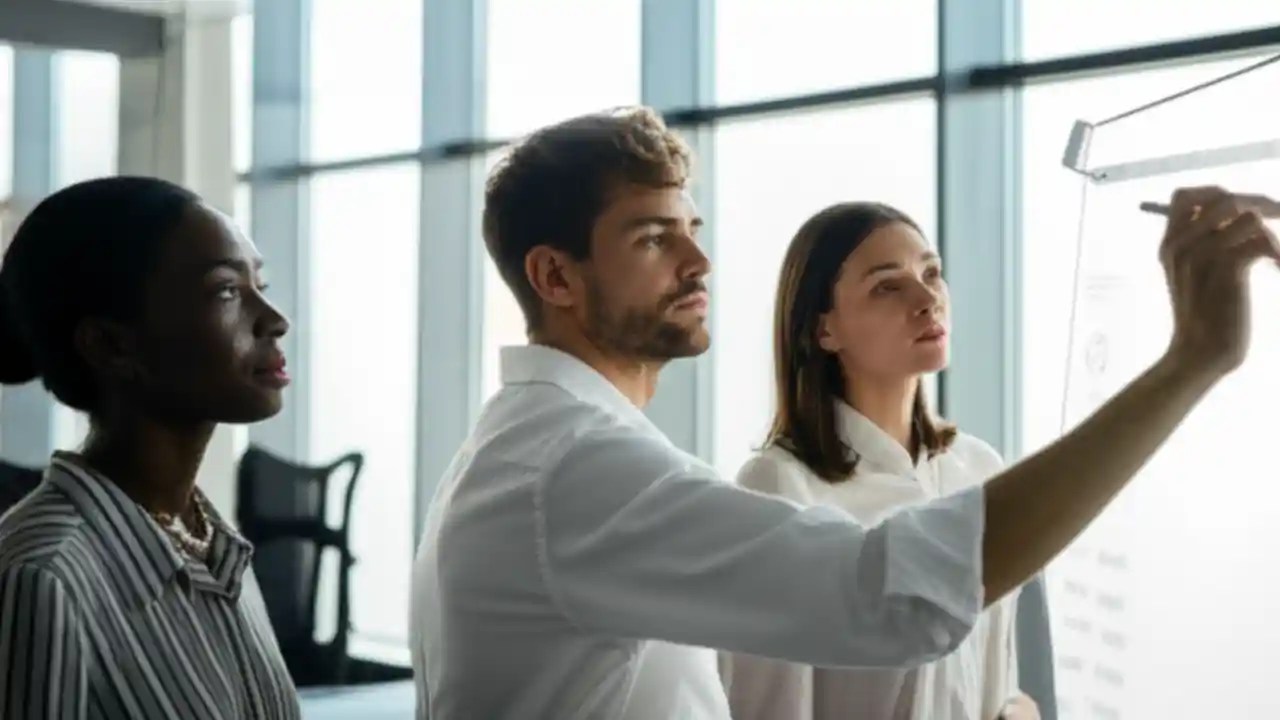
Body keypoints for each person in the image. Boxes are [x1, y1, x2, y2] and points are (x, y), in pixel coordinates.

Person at [409, 105, 1278, 720]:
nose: (701, 261)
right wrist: (1190, 360)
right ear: (555, 278)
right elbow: (891, 597)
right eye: (652, 238)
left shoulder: (546, 450)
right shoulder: (577, 469)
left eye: (692, 227)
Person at [718, 201, 1036, 720]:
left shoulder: (978, 467)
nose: (929, 298)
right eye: (888, 286)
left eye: (931, 273)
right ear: (825, 330)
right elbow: (766, 706)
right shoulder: (779, 486)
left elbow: (996, 678)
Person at [0, 177, 300, 719]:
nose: (276, 321)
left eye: (262, 285)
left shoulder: (215, 548)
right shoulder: (44, 577)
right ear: (111, 345)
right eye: (227, 291)